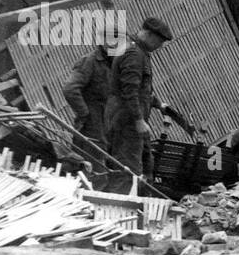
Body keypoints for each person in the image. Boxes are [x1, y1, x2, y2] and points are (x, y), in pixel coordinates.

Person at [104, 16, 173, 188]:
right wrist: (138, 120)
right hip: (127, 121)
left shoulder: (139, 52)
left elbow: (142, 89)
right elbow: (129, 91)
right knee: (127, 169)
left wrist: (158, 104)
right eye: (159, 41)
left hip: (129, 119)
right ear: (149, 35)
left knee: (143, 165)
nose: (160, 46)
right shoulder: (134, 54)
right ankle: (122, 209)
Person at [62, 44, 112, 149]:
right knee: (92, 158)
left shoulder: (114, 62)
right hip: (92, 123)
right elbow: (70, 89)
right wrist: (85, 113)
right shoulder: (89, 61)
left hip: (108, 121)